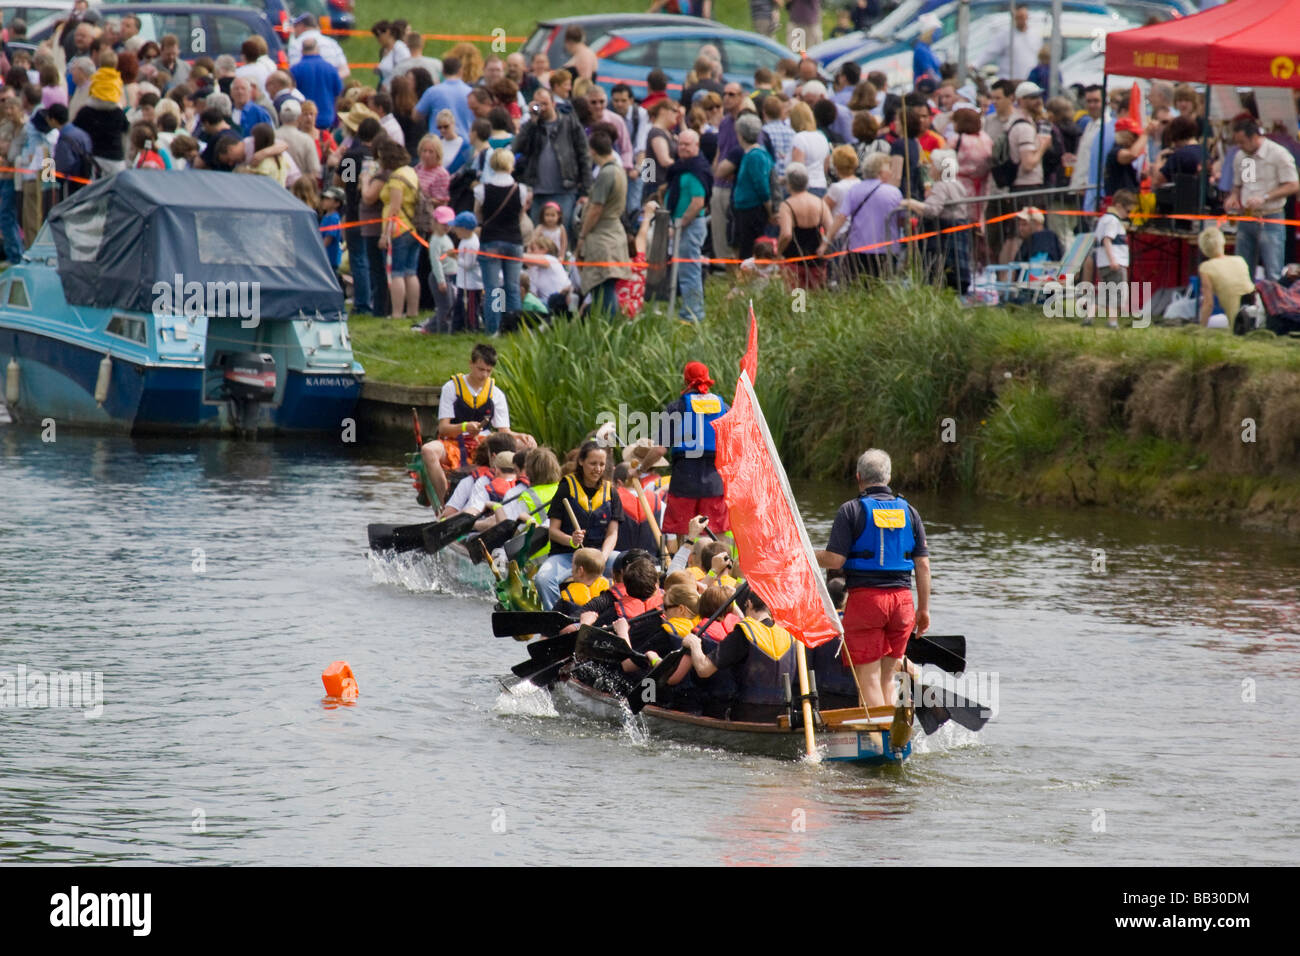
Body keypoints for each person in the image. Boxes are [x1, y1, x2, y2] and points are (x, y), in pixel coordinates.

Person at [816, 448, 930, 711]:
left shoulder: (850, 510)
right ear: (888, 478)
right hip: (902, 603)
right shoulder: (911, 512)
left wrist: (805, 555)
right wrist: (924, 610)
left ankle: (882, 737)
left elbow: (835, 560)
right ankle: (896, 739)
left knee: (868, 678)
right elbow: (923, 564)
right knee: (889, 678)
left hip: (867, 601)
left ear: (858, 477)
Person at [418, 343, 535, 506]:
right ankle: (444, 503)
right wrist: (465, 427)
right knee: (428, 450)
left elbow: (504, 431)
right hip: (453, 441)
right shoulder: (451, 388)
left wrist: (520, 436)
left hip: (484, 444)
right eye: (480, 369)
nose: (484, 375)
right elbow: (443, 428)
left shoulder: (496, 394)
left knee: (527, 445)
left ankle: (516, 499)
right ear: (471, 363)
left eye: (488, 371)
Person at [643, 361, 730, 544]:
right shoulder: (724, 408)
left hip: (684, 481)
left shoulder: (677, 407)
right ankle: (722, 568)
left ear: (685, 381)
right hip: (714, 481)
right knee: (717, 535)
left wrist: (641, 469)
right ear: (708, 379)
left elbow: (659, 450)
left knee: (684, 533)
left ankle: (684, 569)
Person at [680, 588, 796, 722]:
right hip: (782, 715)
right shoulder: (790, 636)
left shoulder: (744, 633)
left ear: (749, 604)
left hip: (748, 714)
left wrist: (694, 644)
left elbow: (703, 669)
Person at [535, 440, 623, 609]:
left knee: (629, 565)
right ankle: (558, 617)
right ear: (581, 462)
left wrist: (602, 558)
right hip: (569, 556)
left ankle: (618, 614)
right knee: (543, 579)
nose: (597, 469)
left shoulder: (611, 491)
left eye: (601, 464)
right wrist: (571, 540)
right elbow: (553, 531)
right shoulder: (566, 487)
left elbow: (612, 533)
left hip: (599, 554)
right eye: (592, 463)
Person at [1226, 115, 1299, 282]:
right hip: (1247, 217)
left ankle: (1273, 305)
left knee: (1273, 271)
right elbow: (1245, 183)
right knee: (1243, 271)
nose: (1240, 146)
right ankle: (1245, 304)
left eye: (1242, 142)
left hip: (1271, 216)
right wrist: (1234, 196)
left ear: (1254, 137)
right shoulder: (1243, 156)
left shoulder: (1278, 154)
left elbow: (1293, 185)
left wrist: (1265, 197)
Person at [514, 86, 591, 241]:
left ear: (554, 103)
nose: (541, 108)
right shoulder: (532, 126)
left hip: (565, 189)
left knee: (563, 236)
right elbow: (517, 147)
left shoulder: (570, 123)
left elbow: (584, 155)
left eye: (545, 104)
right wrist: (532, 122)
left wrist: (586, 191)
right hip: (538, 191)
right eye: (537, 104)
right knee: (538, 237)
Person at [822, 151, 902, 283]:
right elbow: (901, 221)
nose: (891, 172)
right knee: (883, 286)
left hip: (859, 247)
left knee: (858, 285)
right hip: (886, 248)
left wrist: (826, 240)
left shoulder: (855, 189)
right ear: (880, 171)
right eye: (889, 167)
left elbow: (841, 217)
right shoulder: (894, 193)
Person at [576, 128, 631, 317]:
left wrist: (583, 235)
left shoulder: (606, 173)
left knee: (603, 287)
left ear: (592, 150)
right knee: (604, 288)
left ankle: (608, 328)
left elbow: (596, 209)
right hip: (613, 233)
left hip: (603, 236)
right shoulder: (618, 169)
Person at [473, 147, 527, 335]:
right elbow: (520, 216)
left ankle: (494, 329)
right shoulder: (521, 189)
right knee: (512, 287)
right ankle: (513, 328)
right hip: (514, 240)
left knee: (493, 288)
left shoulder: (482, 190)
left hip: (491, 241)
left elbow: (478, 216)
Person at [664, 127, 711, 322]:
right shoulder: (682, 166)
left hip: (689, 226)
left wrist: (680, 224)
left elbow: (698, 202)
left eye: (687, 144)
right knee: (684, 270)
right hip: (681, 225)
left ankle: (693, 314)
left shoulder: (695, 169)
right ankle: (688, 310)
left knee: (689, 271)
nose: (682, 147)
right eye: (680, 144)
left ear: (697, 146)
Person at [376, 138, 421, 319]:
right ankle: (412, 311)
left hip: (398, 229)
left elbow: (394, 208)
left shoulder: (395, 179)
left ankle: (396, 313)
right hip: (412, 229)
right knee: (411, 272)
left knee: (397, 273)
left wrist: (385, 235)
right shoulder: (410, 171)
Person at [777, 161, 831, 289]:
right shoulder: (820, 203)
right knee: (815, 298)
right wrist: (824, 246)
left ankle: (799, 309)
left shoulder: (787, 205)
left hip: (793, 260)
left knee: (797, 300)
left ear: (789, 184)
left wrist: (778, 252)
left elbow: (786, 234)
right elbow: (831, 228)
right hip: (816, 259)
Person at [1090, 188, 1135, 328]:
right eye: (1128, 211)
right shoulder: (1113, 221)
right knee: (1117, 292)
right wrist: (1113, 260)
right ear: (1119, 206)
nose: (1128, 215)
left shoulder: (1103, 219)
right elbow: (1106, 240)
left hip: (1103, 263)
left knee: (1104, 292)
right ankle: (1112, 322)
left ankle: (1089, 317)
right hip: (1115, 263)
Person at [731, 112, 774, 260]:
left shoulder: (755, 155)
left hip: (752, 210)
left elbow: (761, 185)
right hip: (744, 208)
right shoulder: (749, 154)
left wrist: (769, 210)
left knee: (749, 250)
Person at [1197, 226, 1256, 330]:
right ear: (1222, 242)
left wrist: (1200, 329)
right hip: (1255, 313)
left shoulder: (1206, 268)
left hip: (1238, 324)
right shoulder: (1240, 260)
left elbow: (1208, 304)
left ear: (1203, 249)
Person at [290, 36, 342, 130]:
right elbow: (338, 95)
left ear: (302, 50)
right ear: (317, 48)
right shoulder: (330, 69)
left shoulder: (295, 70)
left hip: (304, 121)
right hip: (327, 120)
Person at [414, 55, 472, 138]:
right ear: (460, 72)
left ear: (443, 72)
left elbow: (416, 116)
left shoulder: (432, 91)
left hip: (438, 143)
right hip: (465, 143)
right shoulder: (470, 92)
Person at [984, 4, 1042, 82]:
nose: (1022, 20)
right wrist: (975, 65)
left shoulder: (1035, 35)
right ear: (1014, 18)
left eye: (1023, 17)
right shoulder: (1006, 35)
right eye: (1019, 17)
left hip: (1029, 80)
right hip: (1008, 80)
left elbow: (1040, 57)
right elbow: (990, 52)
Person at [913, 13, 943, 87]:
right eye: (935, 30)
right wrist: (942, 84)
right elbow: (929, 72)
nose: (938, 33)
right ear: (929, 32)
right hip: (926, 89)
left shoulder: (927, 48)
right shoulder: (921, 49)